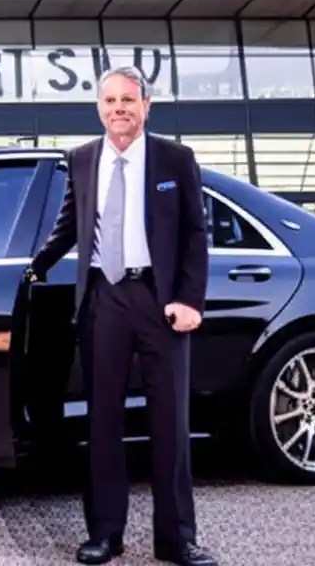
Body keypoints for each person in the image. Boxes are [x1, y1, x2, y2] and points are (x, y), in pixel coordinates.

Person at [23, 66, 215, 566]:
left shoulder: (175, 158)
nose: (118, 109)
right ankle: (105, 534)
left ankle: (176, 540)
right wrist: (33, 267)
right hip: (102, 301)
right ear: (99, 108)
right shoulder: (83, 159)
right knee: (103, 420)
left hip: (159, 300)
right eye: (109, 101)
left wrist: (190, 300)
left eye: (128, 100)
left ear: (146, 105)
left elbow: (196, 234)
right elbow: (70, 226)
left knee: (169, 422)